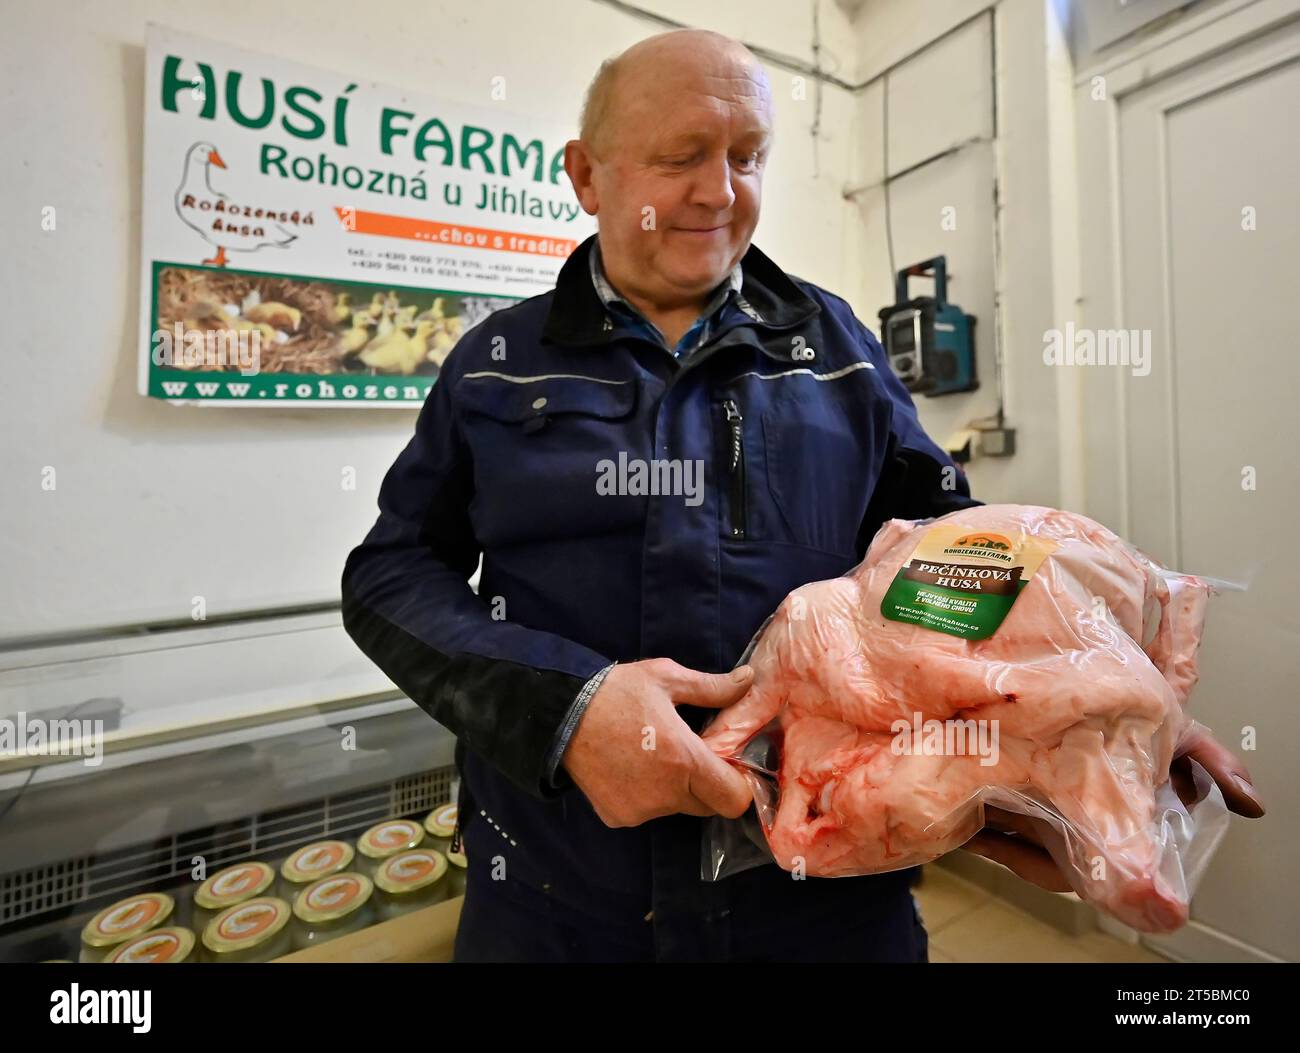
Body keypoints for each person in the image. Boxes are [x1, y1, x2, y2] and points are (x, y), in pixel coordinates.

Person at [342, 29, 1264, 962]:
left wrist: (1093, 700)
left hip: (823, 896)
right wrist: (565, 710)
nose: (719, 190)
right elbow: (390, 575)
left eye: (747, 157)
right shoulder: (497, 367)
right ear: (587, 175)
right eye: (680, 157)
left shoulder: (839, 351)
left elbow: (951, 561)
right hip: (556, 897)